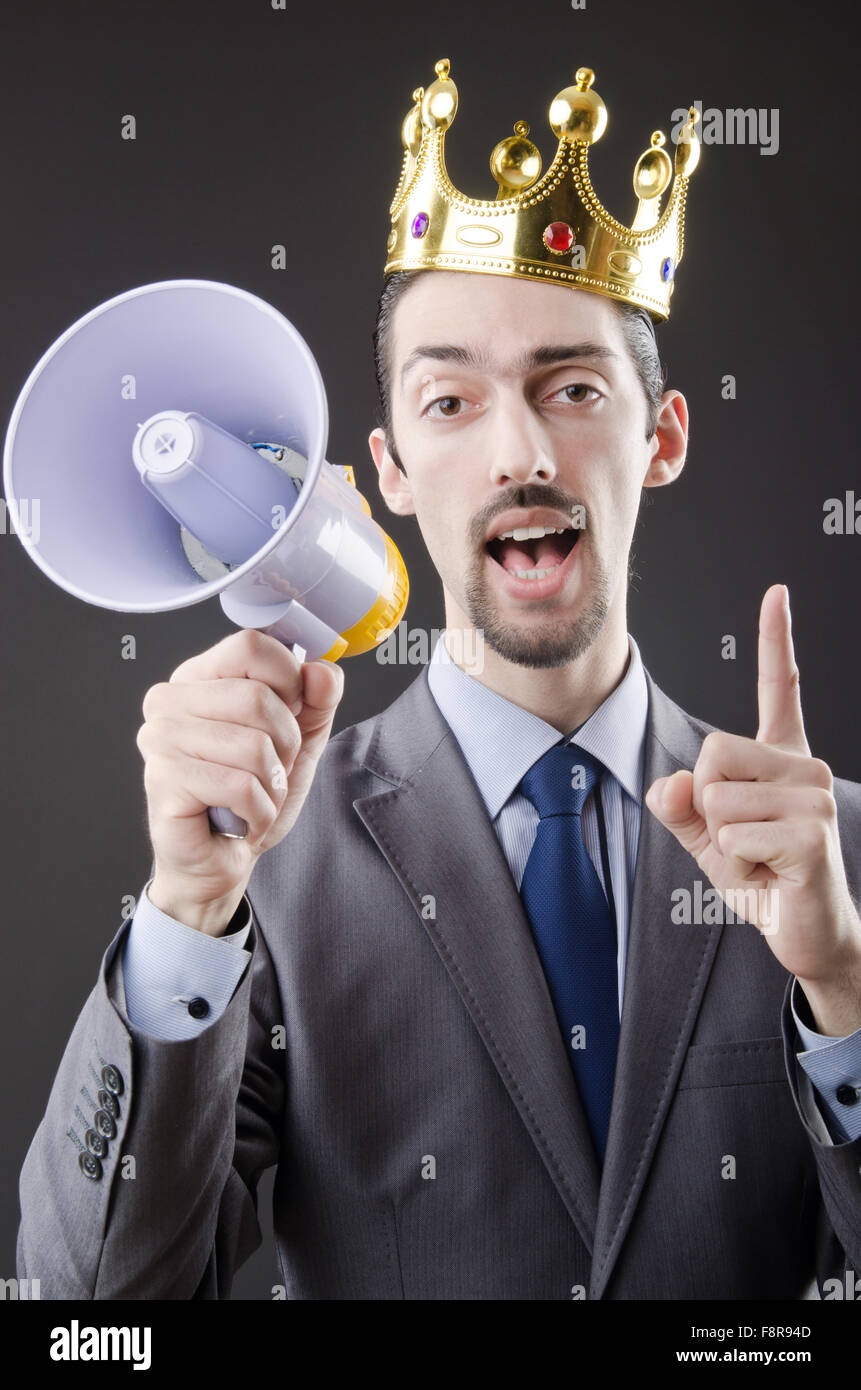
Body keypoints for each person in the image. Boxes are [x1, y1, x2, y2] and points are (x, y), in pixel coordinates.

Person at [17, 60, 861, 1300]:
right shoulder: (265, 874)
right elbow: (91, 1325)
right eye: (451, 399)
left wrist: (843, 998)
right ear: (392, 467)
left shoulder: (834, 856)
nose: (520, 450)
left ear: (663, 434)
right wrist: (183, 919)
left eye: (572, 390)